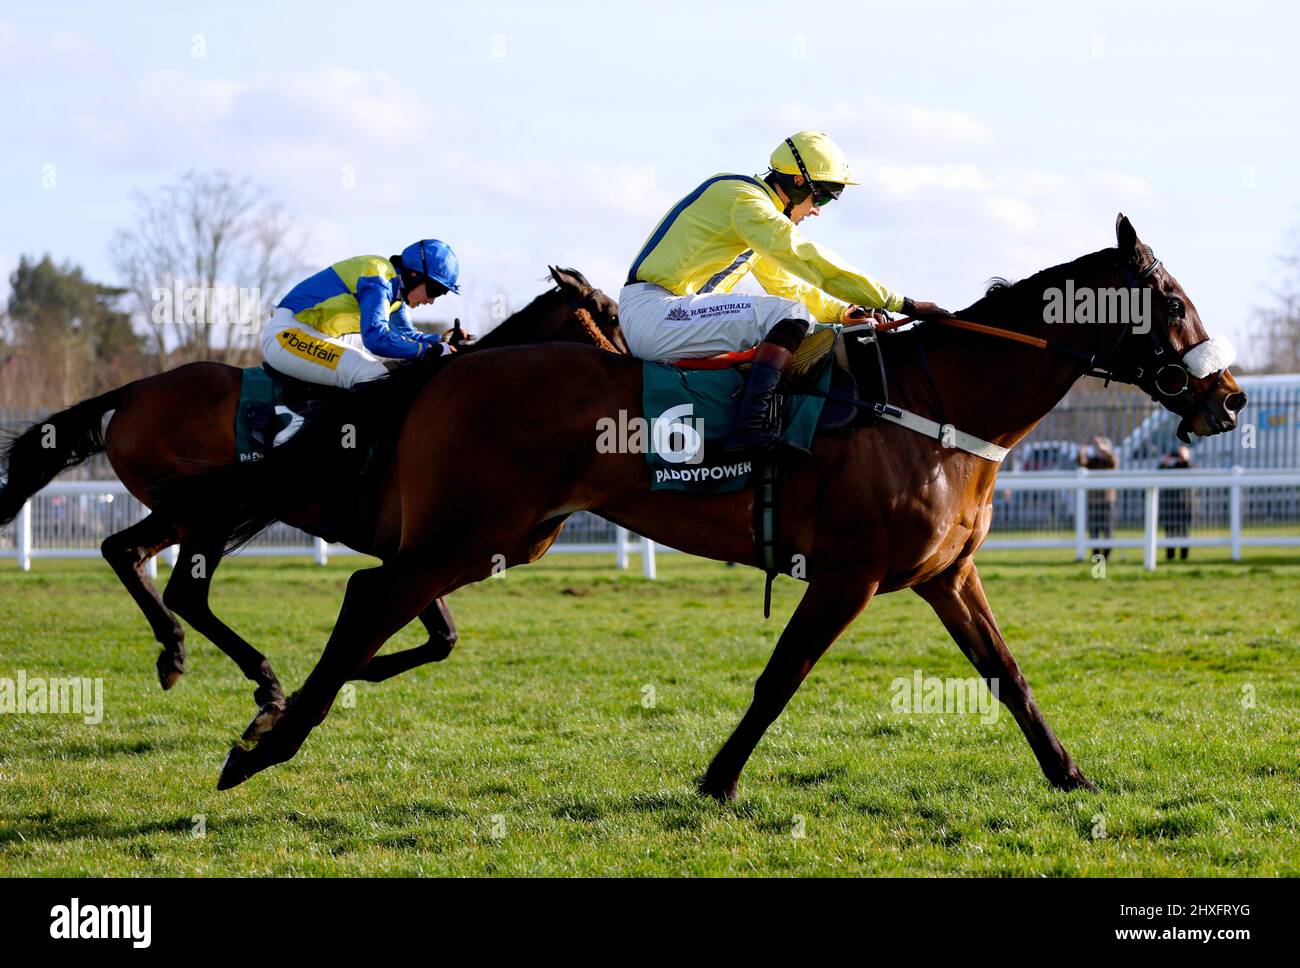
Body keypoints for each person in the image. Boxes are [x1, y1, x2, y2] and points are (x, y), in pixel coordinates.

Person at [619, 131, 950, 455]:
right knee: (790, 315)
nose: (817, 210)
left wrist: (841, 312)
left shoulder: (752, 216)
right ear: (797, 181)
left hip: (667, 314)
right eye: (820, 196)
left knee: (794, 316)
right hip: (657, 312)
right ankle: (750, 426)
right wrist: (901, 302)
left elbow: (786, 283)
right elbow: (805, 257)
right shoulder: (746, 200)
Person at [262, 239, 460, 389]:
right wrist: (428, 350)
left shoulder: (395, 293)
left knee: (396, 361)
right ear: (414, 274)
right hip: (287, 335)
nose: (432, 300)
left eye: (441, 294)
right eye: (434, 290)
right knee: (372, 373)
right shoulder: (378, 278)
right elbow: (376, 338)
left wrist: (443, 340)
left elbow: (408, 337)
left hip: (316, 334)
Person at [1079, 436, 1118, 560]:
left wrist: (1104, 449)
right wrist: (1082, 451)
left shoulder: (1110, 461)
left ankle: (1106, 556)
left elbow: (1113, 460)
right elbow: (1082, 463)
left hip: (1107, 501)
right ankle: (1096, 557)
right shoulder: (1093, 461)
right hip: (1094, 501)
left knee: (1108, 531)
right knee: (1094, 531)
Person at [1159, 444, 1194, 560]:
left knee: (1184, 532)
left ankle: (1184, 556)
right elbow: (1158, 472)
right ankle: (1170, 556)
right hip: (1170, 505)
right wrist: (1166, 461)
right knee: (1170, 532)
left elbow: (1191, 469)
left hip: (1185, 505)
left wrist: (1185, 458)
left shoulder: (1189, 466)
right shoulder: (1170, 467)